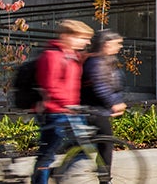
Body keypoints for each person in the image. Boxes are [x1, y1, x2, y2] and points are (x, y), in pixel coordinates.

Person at [31, 20, 92, 184]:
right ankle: (42, 179)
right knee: (47, 155)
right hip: (54, 113)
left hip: (69, 111)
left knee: (85, 148)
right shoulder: (52, 56)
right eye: (82, 38)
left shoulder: (72, 57)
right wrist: (68, 105)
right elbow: (50, 86)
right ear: (66, 36)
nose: (86, 42)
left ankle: (58, 173)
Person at [81, 29, 128, 171]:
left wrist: (116, 101)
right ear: (106, 44)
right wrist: (113, 103)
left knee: (98, 145)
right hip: (93, 110)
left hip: (98, 110)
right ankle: (105, 178)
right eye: (117, 43)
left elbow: (114, 86)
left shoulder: (106, 61)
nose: (120, 46)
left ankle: (103, 175)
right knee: (105, 144)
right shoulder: (96, 63)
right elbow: (100, 86)